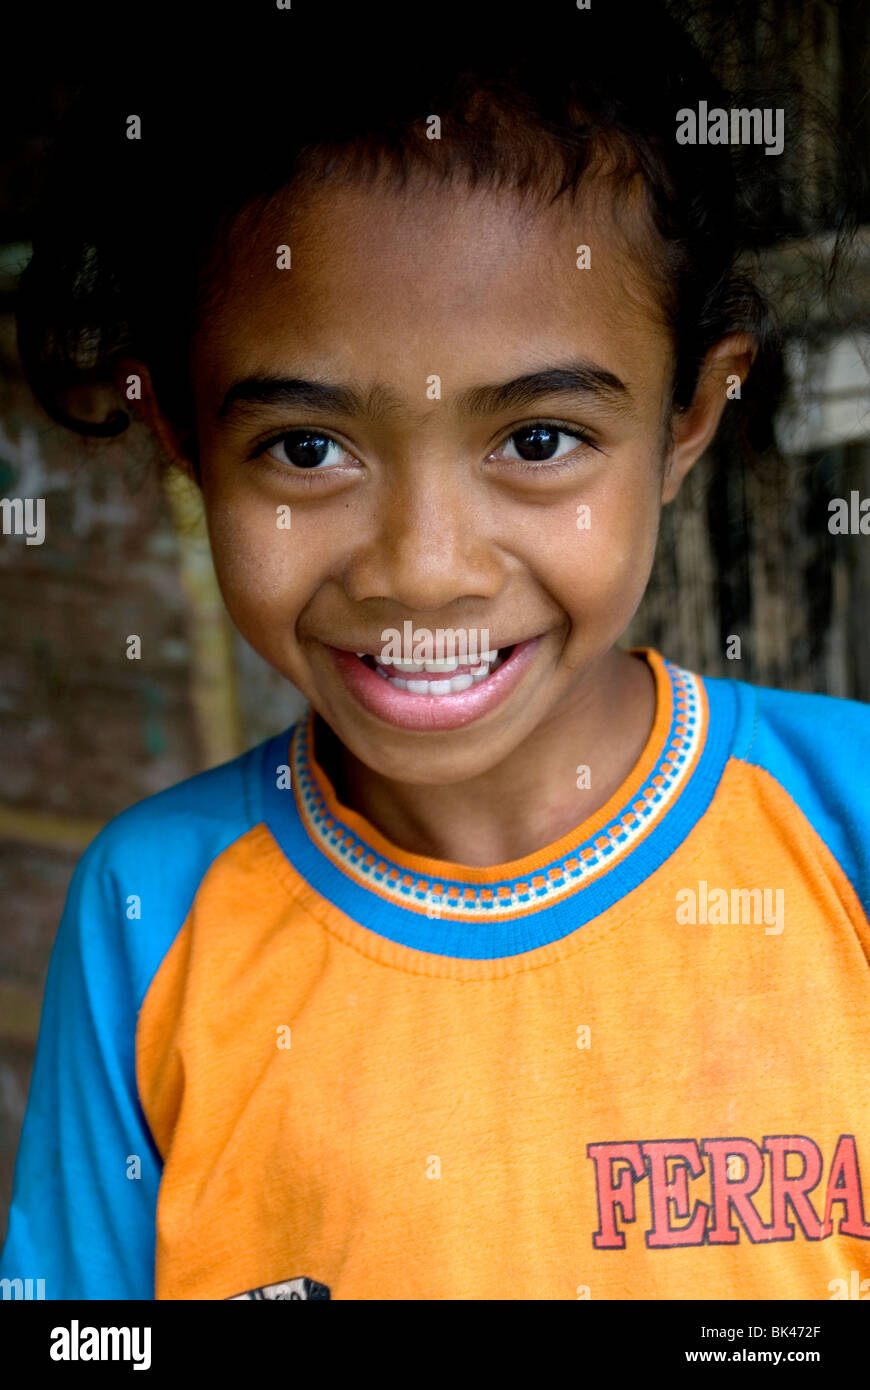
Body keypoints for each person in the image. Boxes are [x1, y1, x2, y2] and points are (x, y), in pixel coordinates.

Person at [2, 0, 869, 1300]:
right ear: (183, 439)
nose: (420, 563)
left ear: (687, 417)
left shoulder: (846, 823)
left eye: (535, 441)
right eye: (307, 449)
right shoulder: (154, 910)